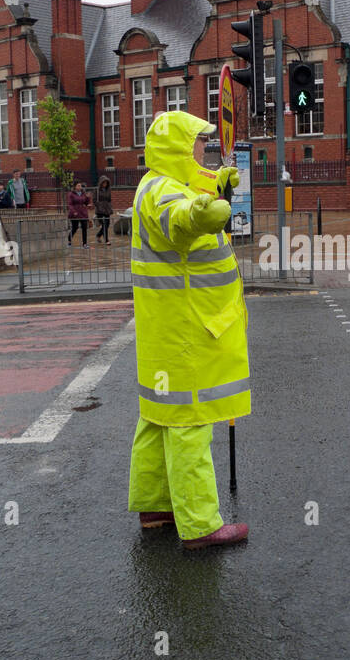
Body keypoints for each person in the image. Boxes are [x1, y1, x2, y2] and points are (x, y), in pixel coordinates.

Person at [128, 110, 249, 548]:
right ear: (180, 147)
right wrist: (202, 213)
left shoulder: (160, 182)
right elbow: (177, 219)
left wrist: (217, 186)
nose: (204, 148)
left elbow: (188, 195)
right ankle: (200, 525)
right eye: (199, 141)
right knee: (190, 423)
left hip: (168, 329)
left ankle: (157, 506)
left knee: (159, 418)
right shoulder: (163, 191)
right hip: (186, 331)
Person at [66, 181, 91, 246]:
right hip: (75, 214)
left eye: (80, 186)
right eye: (78, 185)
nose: (80, 187)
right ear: (75, 187)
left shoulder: (83, 193)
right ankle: (69, 239)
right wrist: (74, 211)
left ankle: (84, 244)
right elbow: (70, 204)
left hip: (83, 213)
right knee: (75, 228)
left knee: (84, 228)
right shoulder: (71, 194)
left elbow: (86, 203)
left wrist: (88, 197)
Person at [94, 175, 113, 245]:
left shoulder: (108, 190)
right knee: (104, 224)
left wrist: (110, 207)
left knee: (107, 224)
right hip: (100, 210)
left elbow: (109, 199)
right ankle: (106, 240)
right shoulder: (97, 190)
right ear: (101, 183)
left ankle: (98, 235)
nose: (105, 184)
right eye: (104, 183)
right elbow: (94, 200)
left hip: (107, 210)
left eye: (106, 183)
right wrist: (99, 206)